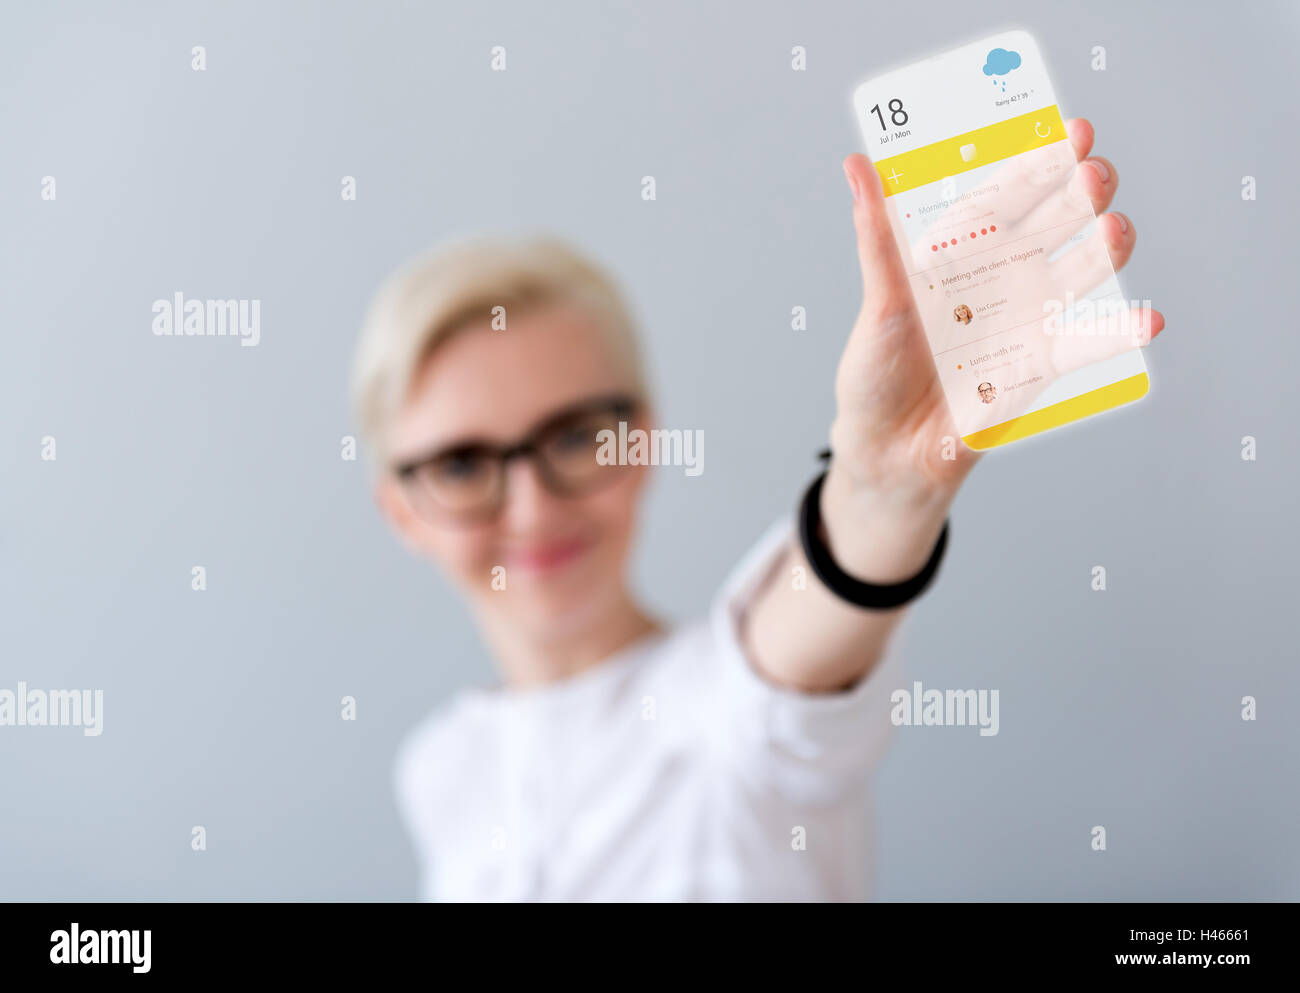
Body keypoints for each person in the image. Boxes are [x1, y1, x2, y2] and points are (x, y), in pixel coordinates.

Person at [349, 119, 1164, 901]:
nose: (529, 509)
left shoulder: (730, 719)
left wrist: (878, 493)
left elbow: (790, 671)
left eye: (574, 438)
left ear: (644, 444)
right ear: (401, 512)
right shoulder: (440, 770)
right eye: (462, 463)